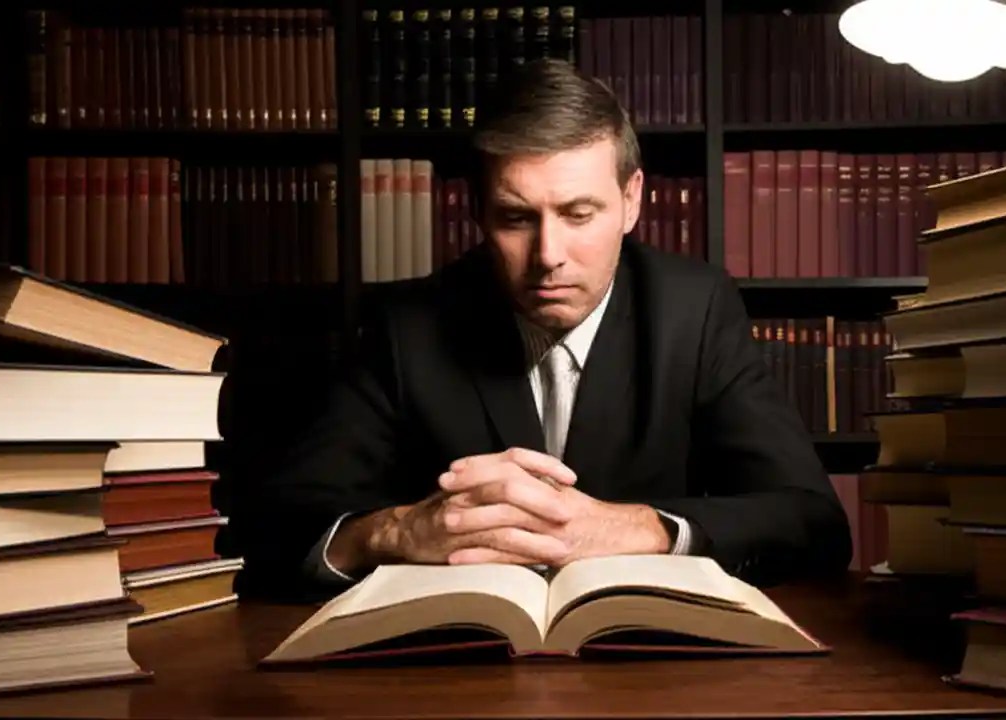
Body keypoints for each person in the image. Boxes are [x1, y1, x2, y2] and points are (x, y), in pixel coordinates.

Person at [240, 58, 851, 596]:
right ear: (477, 211)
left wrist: (640, 526)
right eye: (515, 218)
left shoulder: (696, 309)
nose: (548, 254)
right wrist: (396, 531)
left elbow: (813, 523)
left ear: (632, 200)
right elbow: (277, 529)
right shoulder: (406, 326)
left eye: (579, 213)